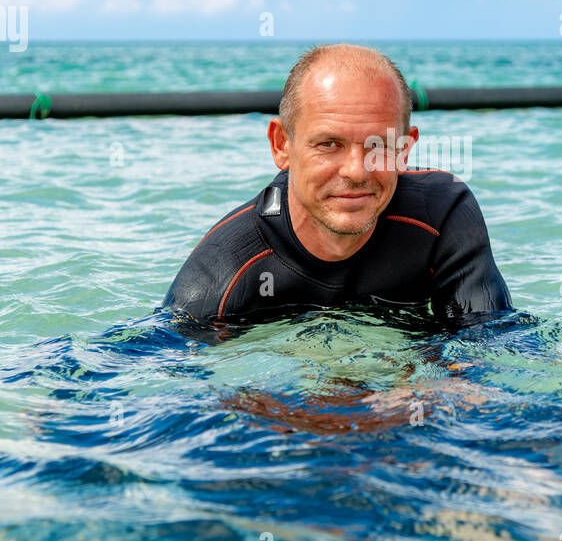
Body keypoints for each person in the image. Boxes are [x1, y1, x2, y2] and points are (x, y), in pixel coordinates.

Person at [163, 43, 513, 334]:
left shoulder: (442, 213)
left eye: (380, 145)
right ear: (281, 144)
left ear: (405, 150)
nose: (357, 170)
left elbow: (489, 349)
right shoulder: (220, 276)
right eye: (329, 143)